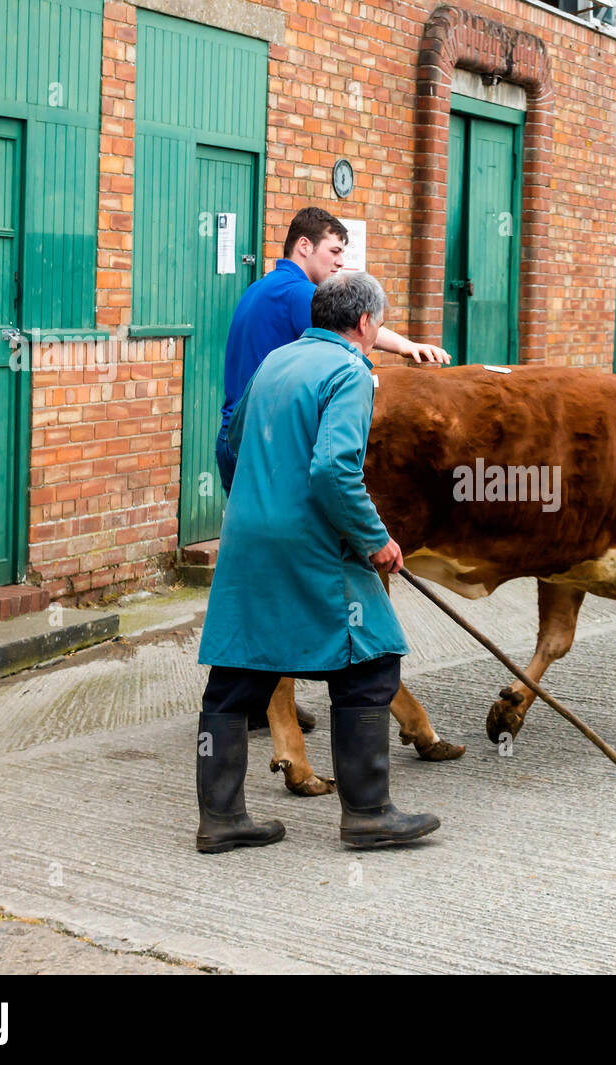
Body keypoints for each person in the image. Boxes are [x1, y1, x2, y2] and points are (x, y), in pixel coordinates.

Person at [194, 271, 439, 853]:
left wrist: (259, 496)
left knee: (235, 678)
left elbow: (230, 441)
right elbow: (333, 471)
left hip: (249, 535)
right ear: (364, 323)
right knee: (371, 664)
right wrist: (375, 539)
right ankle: (368, 814)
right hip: (311, 540)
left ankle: (221, 820)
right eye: (379, 321)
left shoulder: (276, 360)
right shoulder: (351, 371)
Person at [215, 207, 449, 494]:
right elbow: (355, 326)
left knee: (252, 532)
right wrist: (406, 346)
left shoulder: (259, 287)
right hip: (261, 442)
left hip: (233, 436)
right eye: (334, 251)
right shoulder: (299, 293)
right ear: (304, 246)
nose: (340, 262)